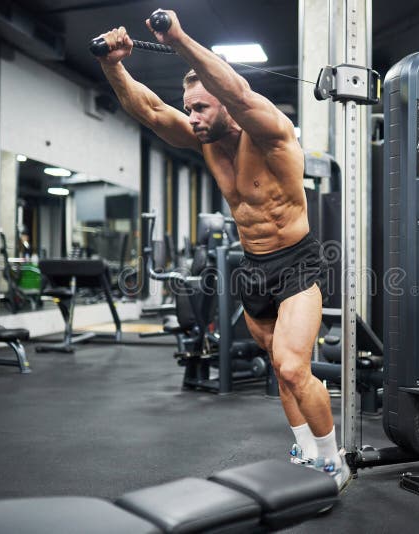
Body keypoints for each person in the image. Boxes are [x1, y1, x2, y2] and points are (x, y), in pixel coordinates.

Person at [96, 10, 349, 489]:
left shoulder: (271, 133)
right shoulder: (206, 141)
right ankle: (306, 452)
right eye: (188, 108)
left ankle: (335, 462)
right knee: (278, 367)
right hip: (253, 265)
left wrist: (178, 39)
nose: (191, 117)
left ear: (226, 107)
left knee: (296, 366)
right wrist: (113, 64)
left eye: (200, 108)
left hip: (296, 262)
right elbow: (150, 112)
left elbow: (238, 91)